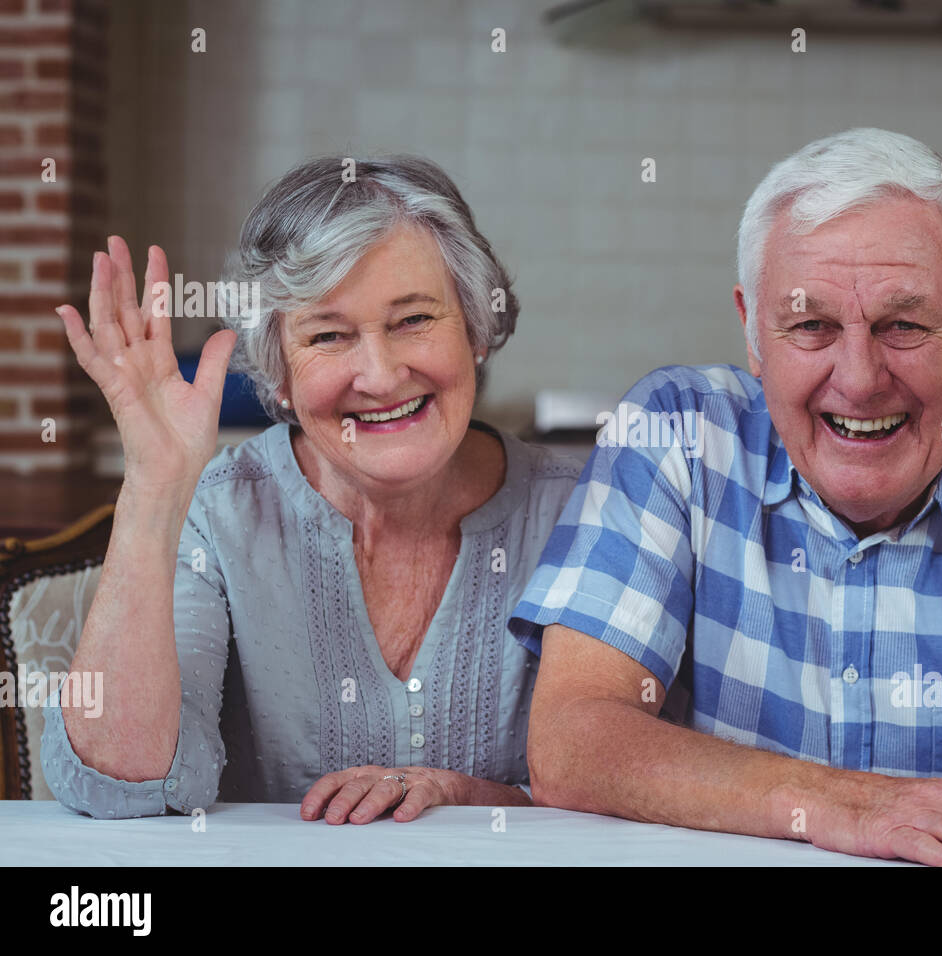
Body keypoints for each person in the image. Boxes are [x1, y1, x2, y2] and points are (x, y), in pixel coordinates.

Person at [511, 128, 942, 866]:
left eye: (904, 325)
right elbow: (573, 742)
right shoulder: (677, 435)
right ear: (754, 330)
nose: (858, 378)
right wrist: (837, 805)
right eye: (812, 325)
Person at [43, 156, 580, 824]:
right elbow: (121, 786)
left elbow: (638, 785)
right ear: (280, 381)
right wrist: (155, 490)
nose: (381, 377)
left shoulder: (583, 513)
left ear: (475, 330)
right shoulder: (219, 513)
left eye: (413, 320)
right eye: (328, 335)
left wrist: (473, 798)